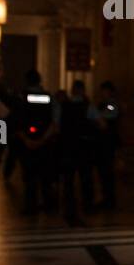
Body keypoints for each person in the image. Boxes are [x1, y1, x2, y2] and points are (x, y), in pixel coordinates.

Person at [18, 70, 59, 215]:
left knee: (29, 178)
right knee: (46, 176)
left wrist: (27, 140)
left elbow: (14, 122)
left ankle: (30, 207)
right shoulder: (50, 98)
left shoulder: (21, 98)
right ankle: (49, 205)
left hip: (27, 143)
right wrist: (42, 140)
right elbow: (55, 123)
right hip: (46, 143)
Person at [56, 79, 97, 221]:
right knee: (86, 178)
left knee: (68, 180)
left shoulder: (63, 106)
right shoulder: (89, 106)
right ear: (83, 90)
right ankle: (88, 206)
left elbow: (56, 124)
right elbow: (101, 123)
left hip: (67, 147)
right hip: (84, 146)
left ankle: (69, 208)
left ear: (72, 90)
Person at [89, 80, 120, 209]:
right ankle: (106, 198)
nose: (103, 93)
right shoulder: (101, 104)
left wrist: (96, 117)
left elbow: (110, 115)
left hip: (109, 143)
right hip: (101, 143)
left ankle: (109, 200)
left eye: (105, 90)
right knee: (102, 173)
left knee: (108, 173)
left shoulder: (112, 104)